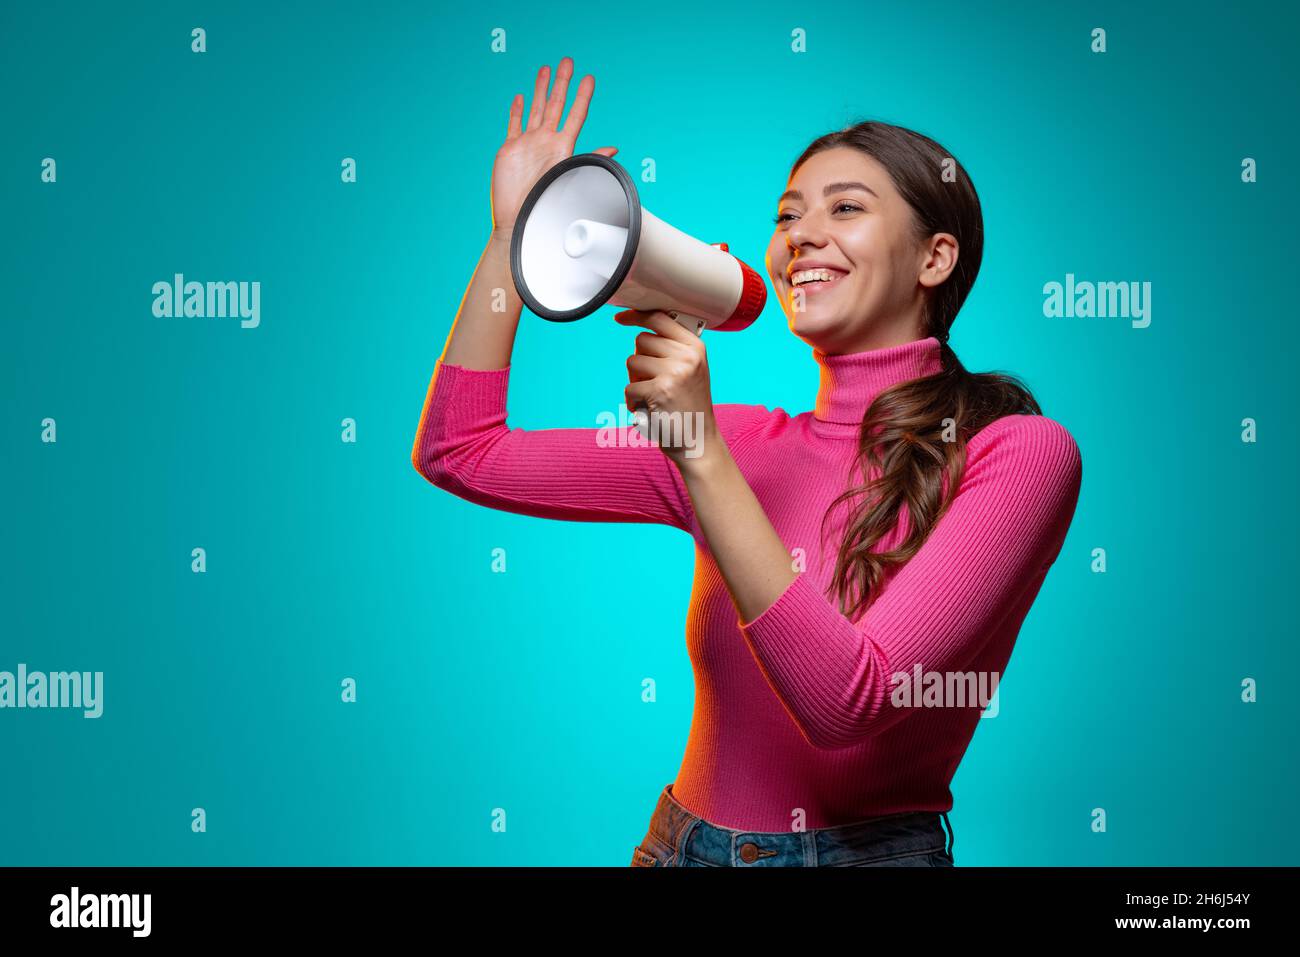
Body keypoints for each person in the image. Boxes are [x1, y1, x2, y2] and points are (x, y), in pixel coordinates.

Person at [411, 57, 1082, 867]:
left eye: (846, 208)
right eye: (789, 215)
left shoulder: (1016, 453)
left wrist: (699, 453)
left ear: (934, 258)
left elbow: (848, 701)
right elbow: (461, 451)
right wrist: (510, 239)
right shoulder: (732, 441)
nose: (801, 235)